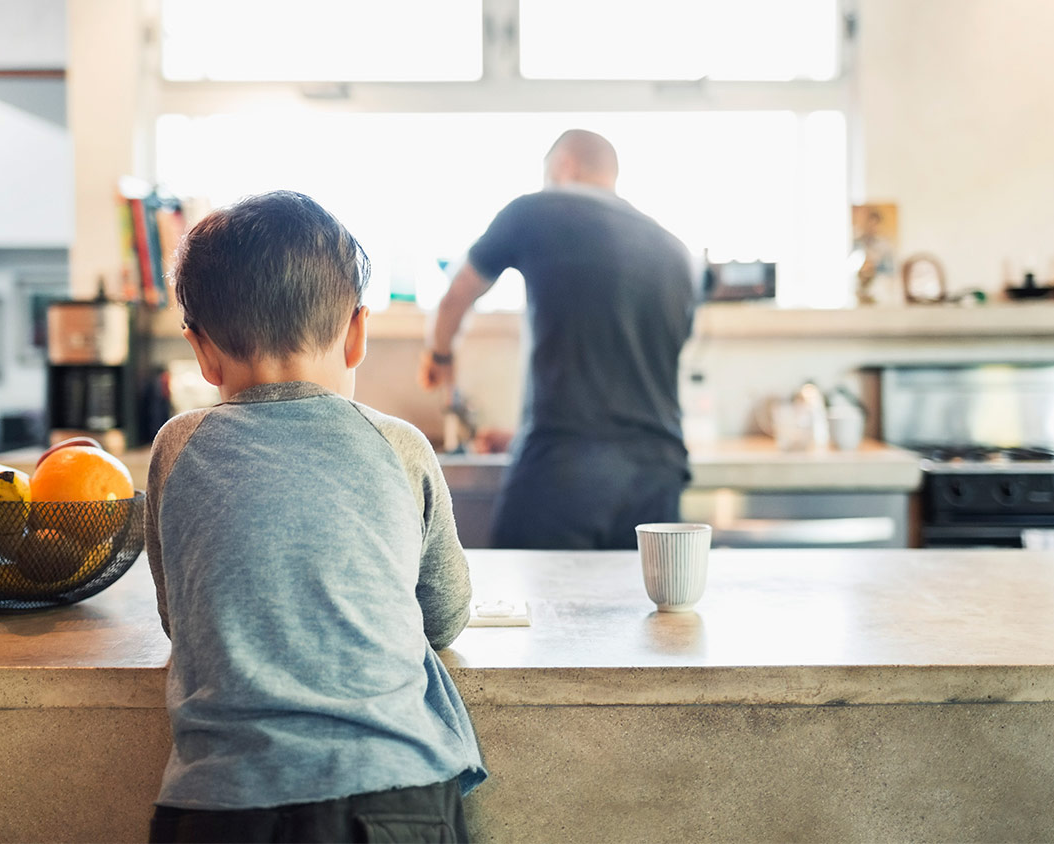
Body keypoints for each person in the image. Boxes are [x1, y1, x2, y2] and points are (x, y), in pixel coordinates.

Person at [147, 191, 486, 843]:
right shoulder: (400, 445)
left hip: (222, 808)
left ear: (201, 350)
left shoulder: (176, 447)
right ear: (356, 332)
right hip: (394, 793)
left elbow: (180, 620)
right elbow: (444, 615)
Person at [419, 129, 696, 550]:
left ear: (564, 167)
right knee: (639, 614)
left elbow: (457, 294)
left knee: (525, 607)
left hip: (564, 473)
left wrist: (440, 356)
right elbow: (633, 388)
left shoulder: (535, 211)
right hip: (657, 476)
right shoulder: (677, 253)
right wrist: (522, 433)